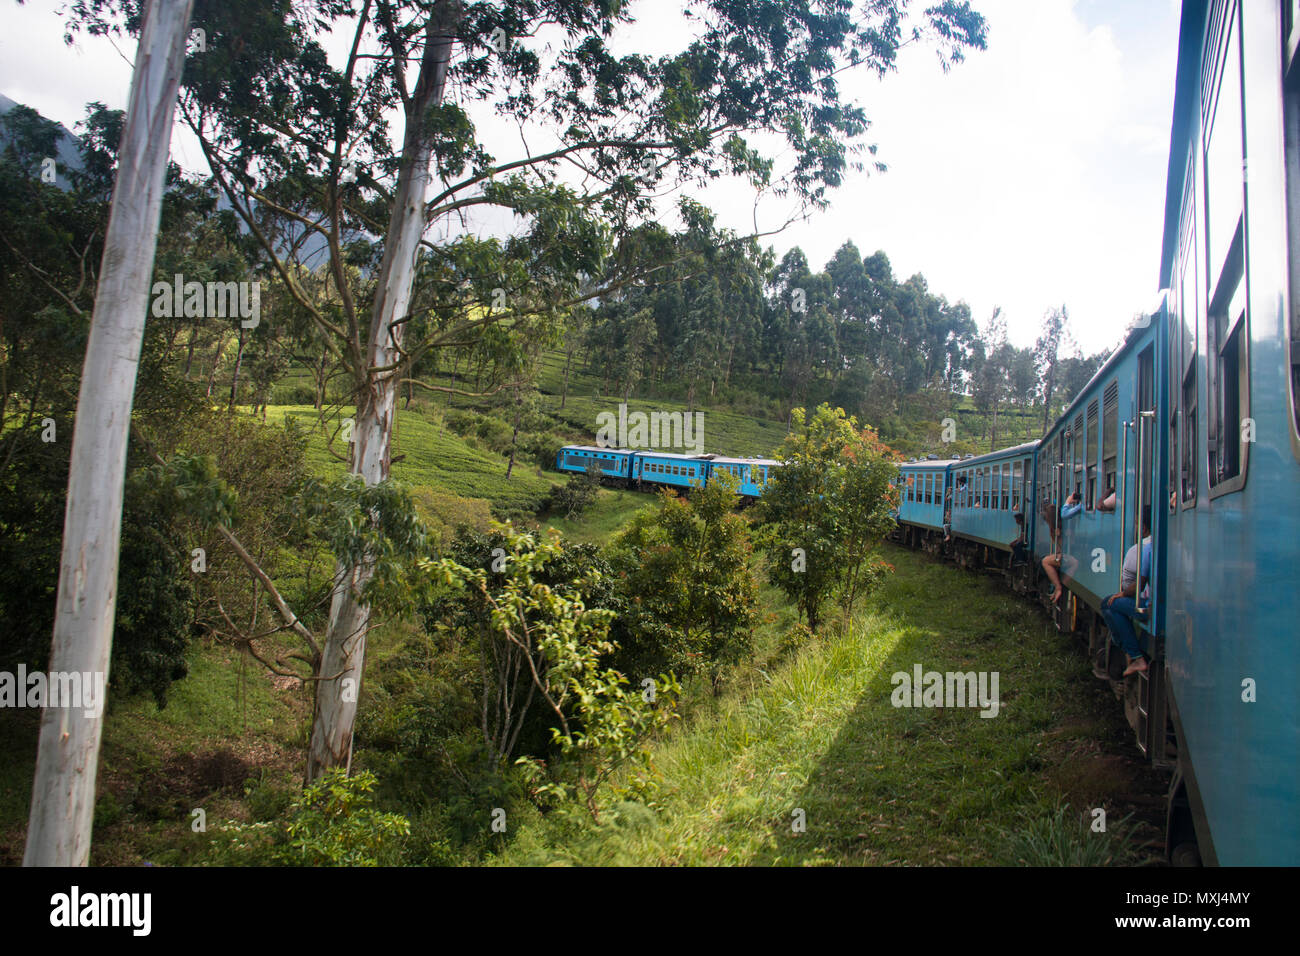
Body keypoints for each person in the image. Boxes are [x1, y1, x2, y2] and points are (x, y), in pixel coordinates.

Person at [1100, 506, 1153, 676]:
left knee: (1109, 604)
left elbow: (1139, 584)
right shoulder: (1174, 545)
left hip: (1151, 607)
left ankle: (1133, 654)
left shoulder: (1145, 549)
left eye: (1137, 523)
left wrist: (1122, 594)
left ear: (1144, 527)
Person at [1041, 491, 1082, 603]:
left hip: (1067, 557)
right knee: (1048, 560)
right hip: (1064, 555)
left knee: (1045, 561)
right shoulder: (1059, 526)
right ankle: (1059, 586)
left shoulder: (1057, 529)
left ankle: (1059, 587)